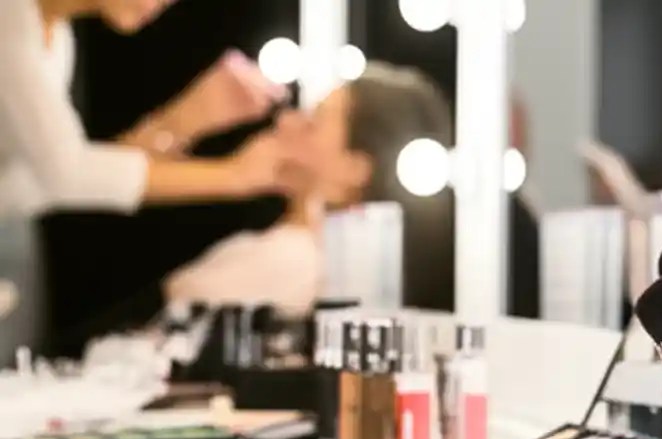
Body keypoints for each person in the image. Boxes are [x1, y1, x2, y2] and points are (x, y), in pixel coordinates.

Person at [162, 62, 455, 317]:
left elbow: (180, 299)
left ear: (354, 169)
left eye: (313, 122)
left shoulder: (295, 259)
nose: (286, 121)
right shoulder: (293, 249)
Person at [0, 0, 289, 218]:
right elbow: (67, 173)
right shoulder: (10, 22)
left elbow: (43, 178)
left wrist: (183, 121)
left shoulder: (57, 40)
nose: (164, 4)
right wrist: (233, 176)